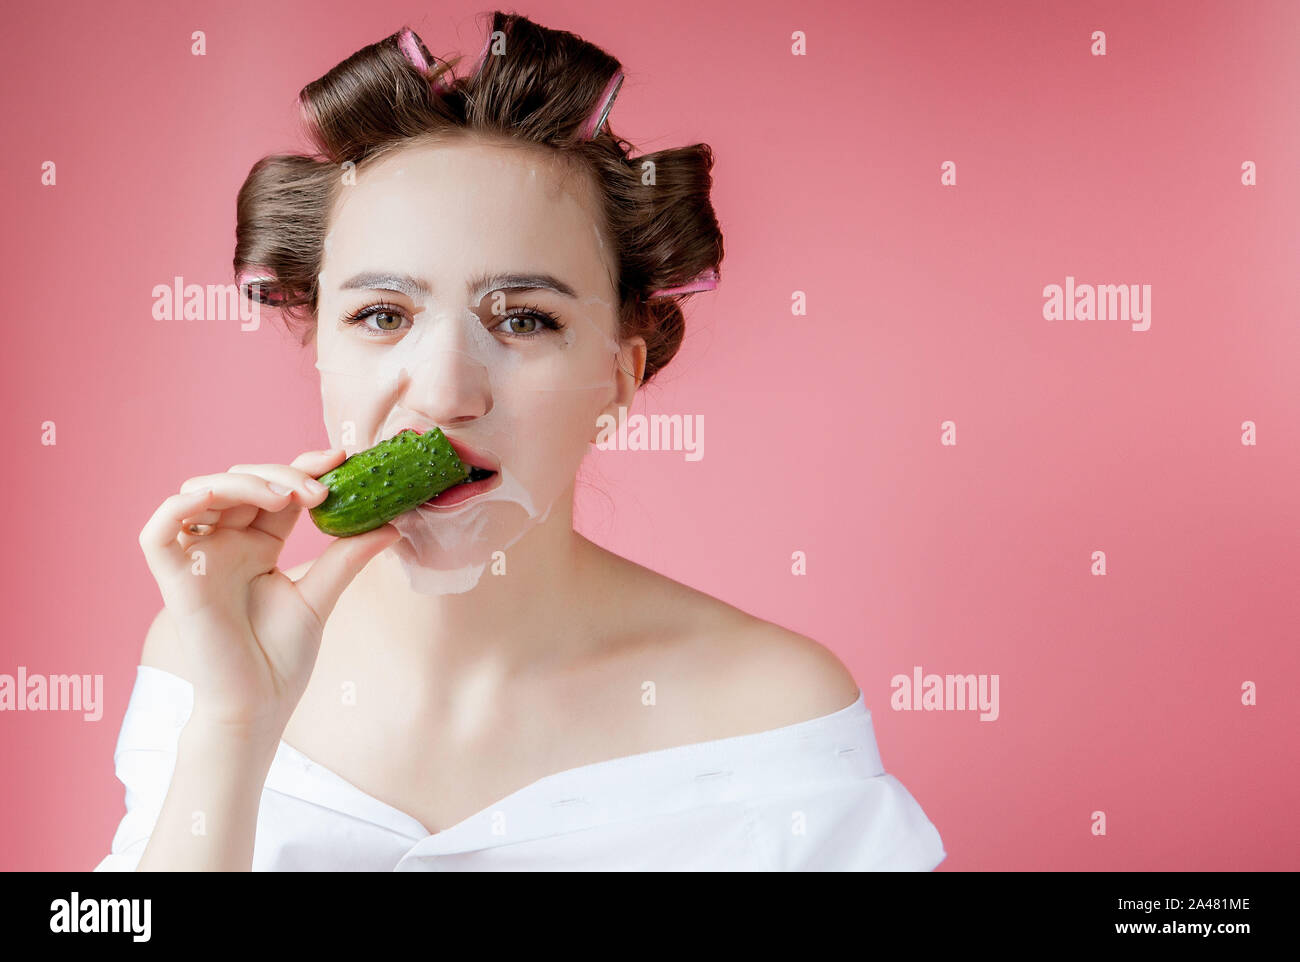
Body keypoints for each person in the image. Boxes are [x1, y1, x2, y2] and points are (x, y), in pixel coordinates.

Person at [95, 11, 946, 871]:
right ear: (318, 345)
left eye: (525, 319)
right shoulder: (209, 652)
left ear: (618, 373)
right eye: (381, 315)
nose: (445, 393)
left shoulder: (774, 713)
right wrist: (236, 725)